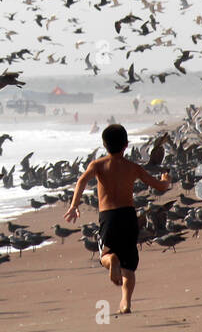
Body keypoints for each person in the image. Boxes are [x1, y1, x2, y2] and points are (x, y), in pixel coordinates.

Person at [63, 124, 172, 315]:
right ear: (126, 145)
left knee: (106, 254)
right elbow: (159, 186)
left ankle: (111, 260)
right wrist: (166, 180)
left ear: (104, 145)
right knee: (129, 265)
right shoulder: (132, 167)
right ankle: (125, 302)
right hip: (128, 217)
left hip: (109, 216)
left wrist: (74, 205)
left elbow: (81, 181)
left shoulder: (98, 165)